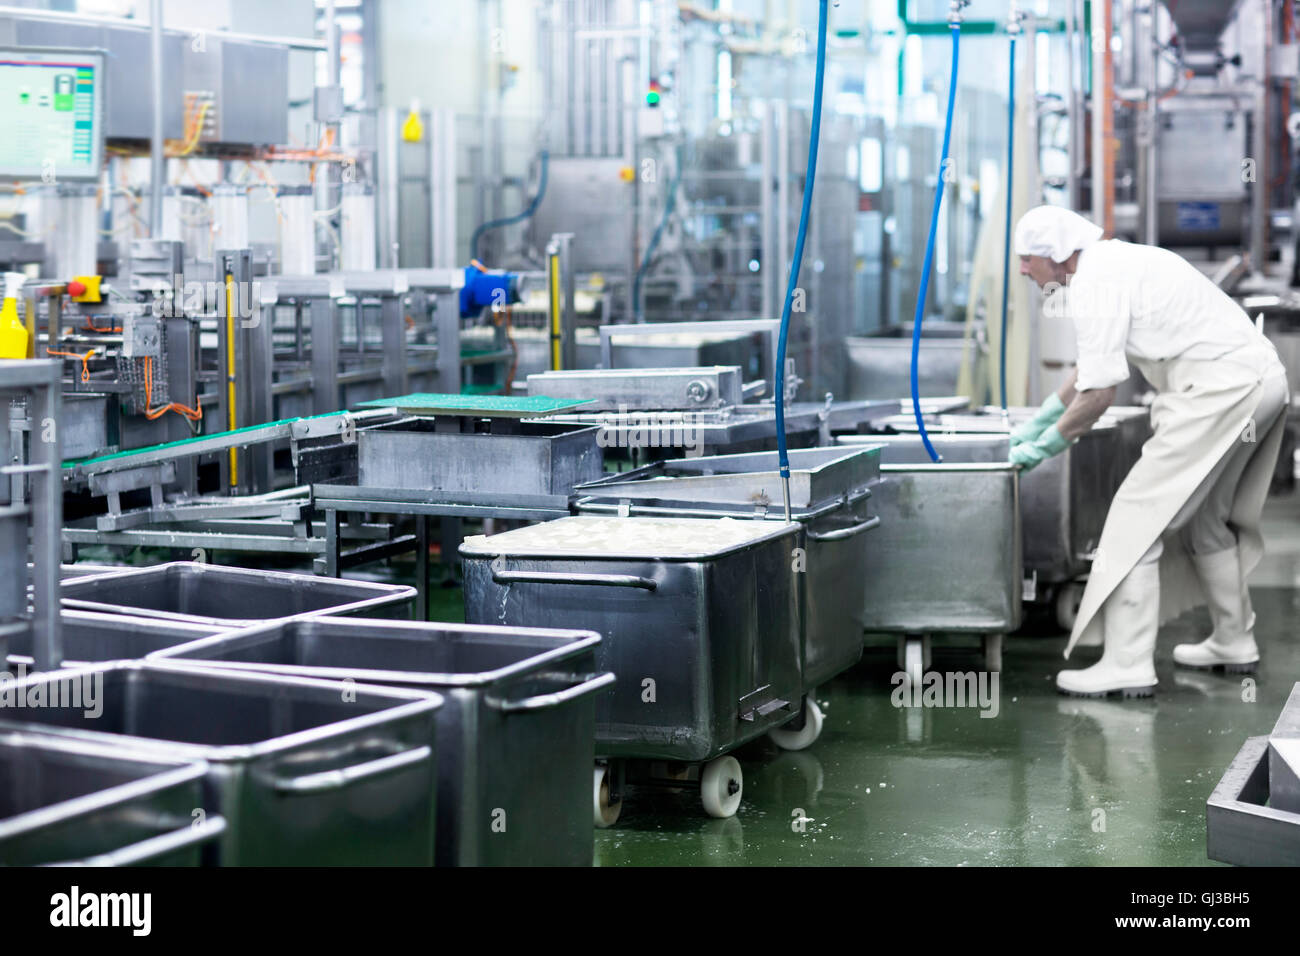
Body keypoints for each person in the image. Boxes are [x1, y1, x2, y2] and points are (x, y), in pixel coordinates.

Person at [1010, 205, 1290, 698]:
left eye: (1027, 259)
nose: (1022, 269)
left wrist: (1047, 446)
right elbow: (1088, 372)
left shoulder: (1095, 282)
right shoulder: (1112, 264)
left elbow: (1099, 396)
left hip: (1221, 390)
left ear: (1056, 255)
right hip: (1259, 380)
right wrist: (1036, 422)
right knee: (1206, 521)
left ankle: (1127, 664)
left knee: (1136, 518)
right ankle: (1233, 639)